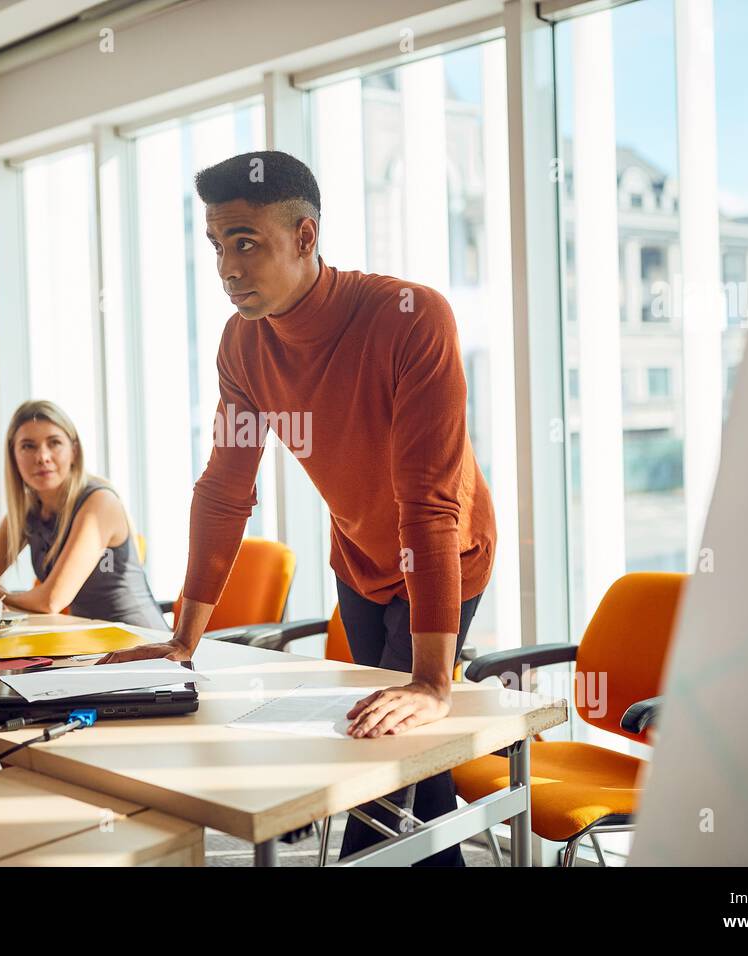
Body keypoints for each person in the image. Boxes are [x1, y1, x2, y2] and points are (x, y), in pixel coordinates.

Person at [102, 150, 497, 865]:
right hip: (358, 559)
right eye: (217, 246)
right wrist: (184, 639)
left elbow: (430, 504)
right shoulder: (242, 344)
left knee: (384, 754)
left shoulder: (411, 317)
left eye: (245, 243)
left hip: (445, 553)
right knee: (404, 767)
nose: (226, 267)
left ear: (306, 236)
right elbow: (225, 489)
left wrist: (436, 682)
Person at [0, 399, 167, 783]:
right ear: (13, 456)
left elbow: (50, 600)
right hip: (86, 648)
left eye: (54, 443)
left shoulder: (99, 501)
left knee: (6, 697)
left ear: (73, 450)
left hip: (137, 652)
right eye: (27, 446)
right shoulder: (30, 513)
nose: (42, 456)